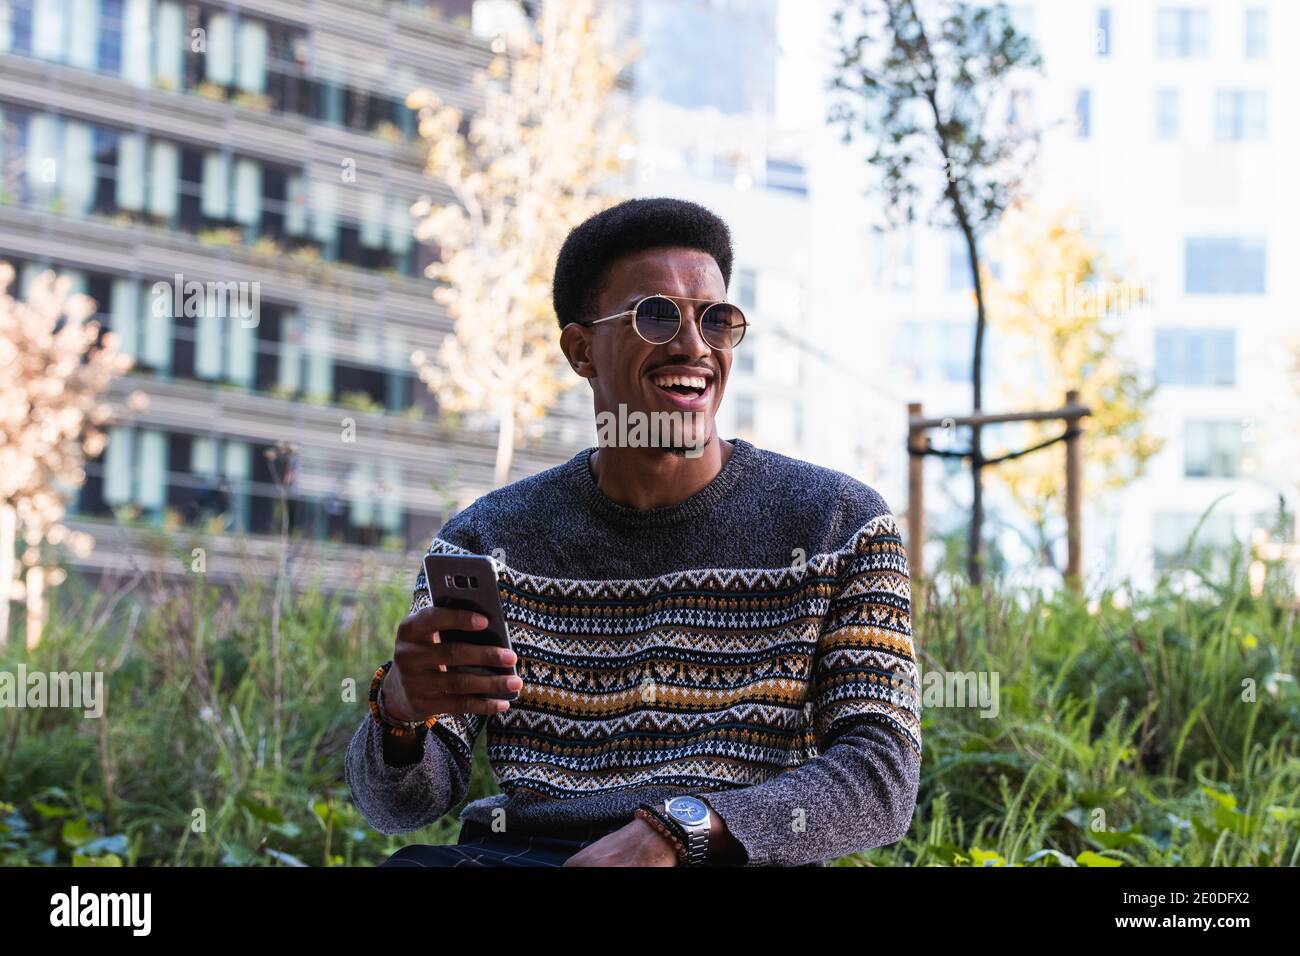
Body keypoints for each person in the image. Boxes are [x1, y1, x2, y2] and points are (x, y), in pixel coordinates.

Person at [344, 196, 921, 867]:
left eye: (717, 319)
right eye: (656, 315)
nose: (694, 345)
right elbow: (402, 806)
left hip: (726, 853)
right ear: (581, 350)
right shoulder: (485, 544)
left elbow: (882, 777)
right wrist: (401, 712)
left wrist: (681, 833)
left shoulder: (840, 525)